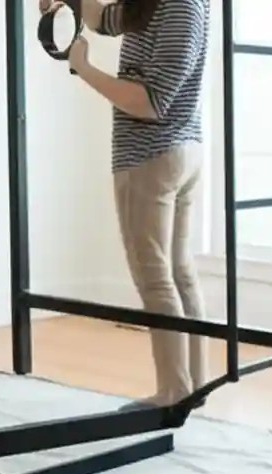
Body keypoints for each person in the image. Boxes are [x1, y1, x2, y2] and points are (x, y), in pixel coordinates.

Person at [43, 0, 211, 407]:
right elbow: (108, 19)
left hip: (151, 157)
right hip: (178, 153)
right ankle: (192, 387)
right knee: (178, 275)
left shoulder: (182, 5)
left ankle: (174, 391)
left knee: (157, 280)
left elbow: (150, 102)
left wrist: (84, 69)